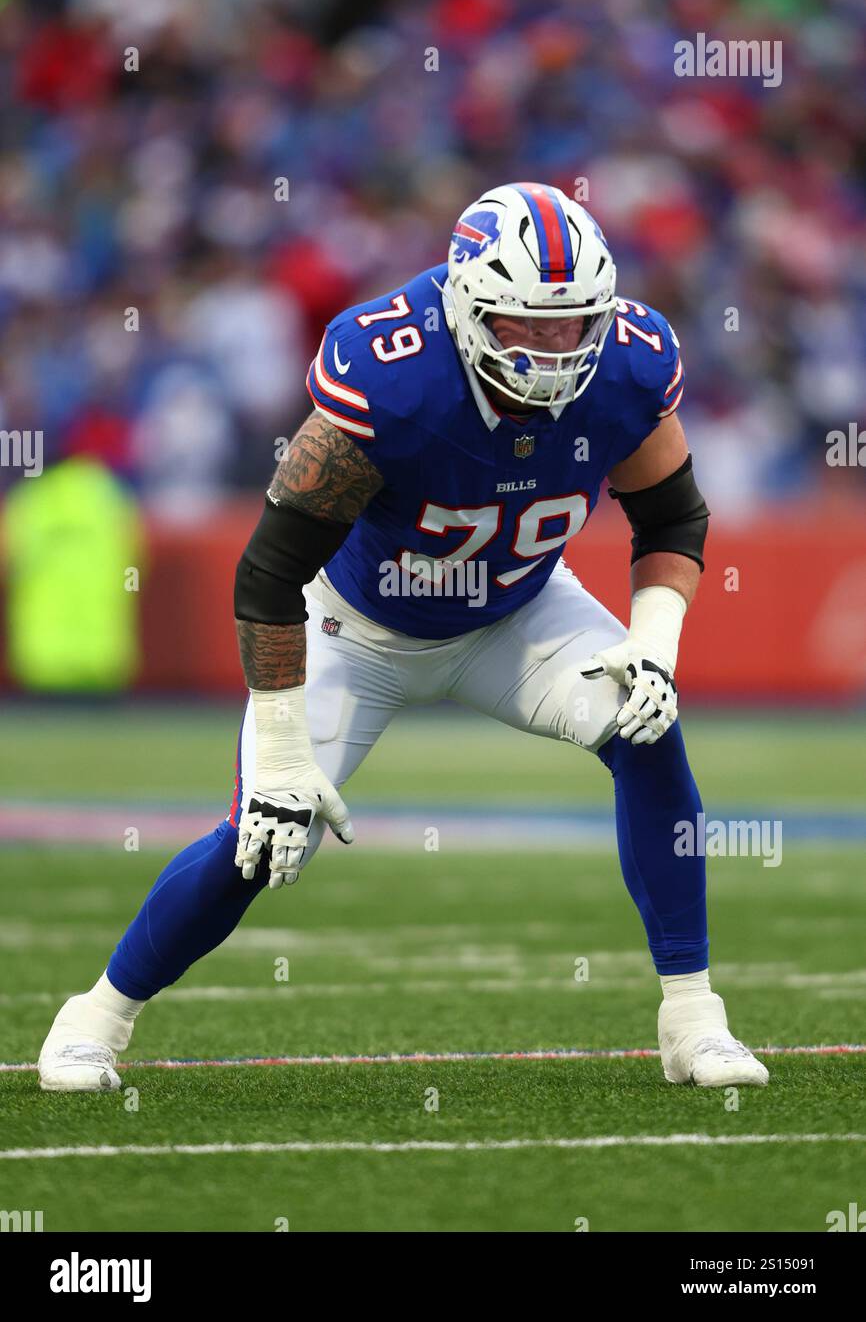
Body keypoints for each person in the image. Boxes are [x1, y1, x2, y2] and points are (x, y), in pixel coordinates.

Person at [38, 183, 768, 1091]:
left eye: (572, 325)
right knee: (265, 835)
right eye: (525, 327)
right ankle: (95, 1020)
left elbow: (671, 519)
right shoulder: (392, 367)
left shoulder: (628, 359)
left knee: (648, 726)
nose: (552, 350)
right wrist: (280, 748)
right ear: (466, 306)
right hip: (358, 628)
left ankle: (694, 1021)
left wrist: (656, 640)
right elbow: (269, 570)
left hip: (521, 610)